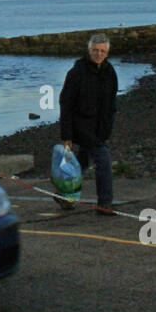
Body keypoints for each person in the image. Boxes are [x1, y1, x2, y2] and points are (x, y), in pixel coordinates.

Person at [59, 33, 119, 215]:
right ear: (89, 50)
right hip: (81, 126)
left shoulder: (110, 73)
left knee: (81, 163)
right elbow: (65, 103)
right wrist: (66, 135)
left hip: (100, 127)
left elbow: (111, 103)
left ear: (107, 53)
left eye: (102, 51)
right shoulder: (76, 72)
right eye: (95, 50)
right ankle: (104, 203)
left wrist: (108, 126)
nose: (98, 54)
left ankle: (63, 192)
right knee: (104, 160)